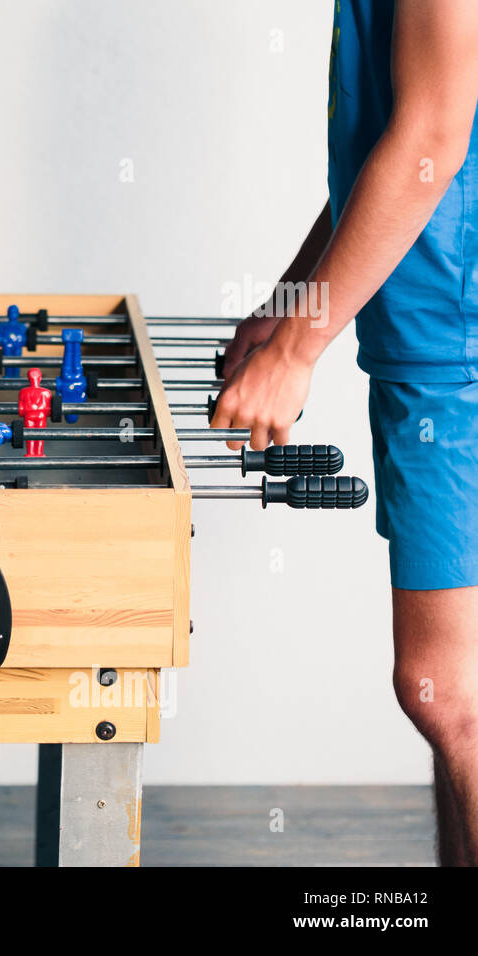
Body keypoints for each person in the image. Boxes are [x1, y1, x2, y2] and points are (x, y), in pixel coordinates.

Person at [213, 0, 478, 865]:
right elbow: (388, 152)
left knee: (451, 700)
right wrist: (295, 303)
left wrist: (300, 346)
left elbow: (432, 140)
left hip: (455, 346)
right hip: (431, 331)